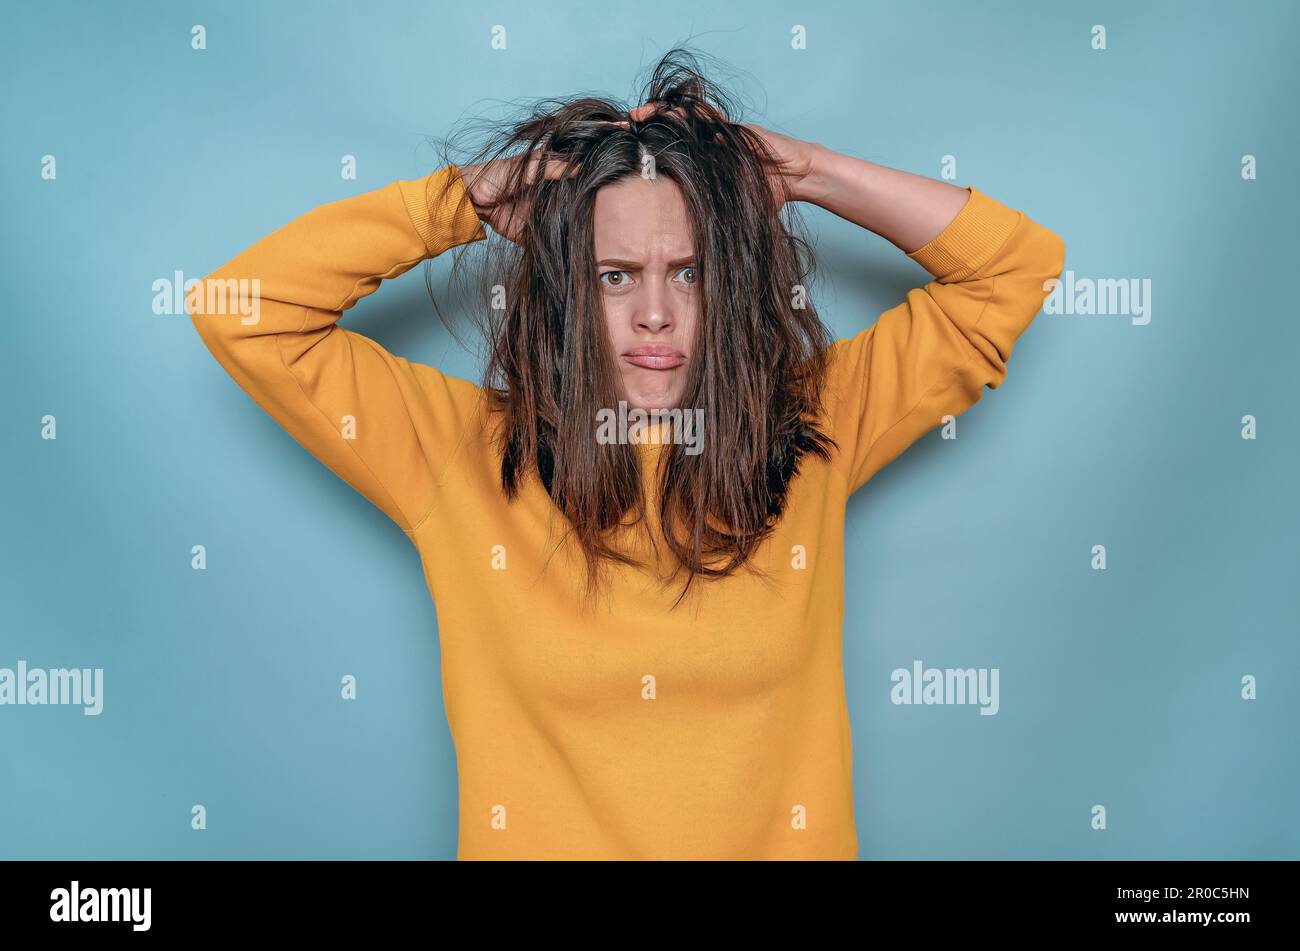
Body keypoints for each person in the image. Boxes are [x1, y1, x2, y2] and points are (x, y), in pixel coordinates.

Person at [187, 50, 1065, 859]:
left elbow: (1014, 270)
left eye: (688, 270)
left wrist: (808, 173)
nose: (655, 313)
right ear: (571, 292)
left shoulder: (818, 424)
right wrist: (466, 202)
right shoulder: (453, 451)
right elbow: (242, 313)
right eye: (615, 275)